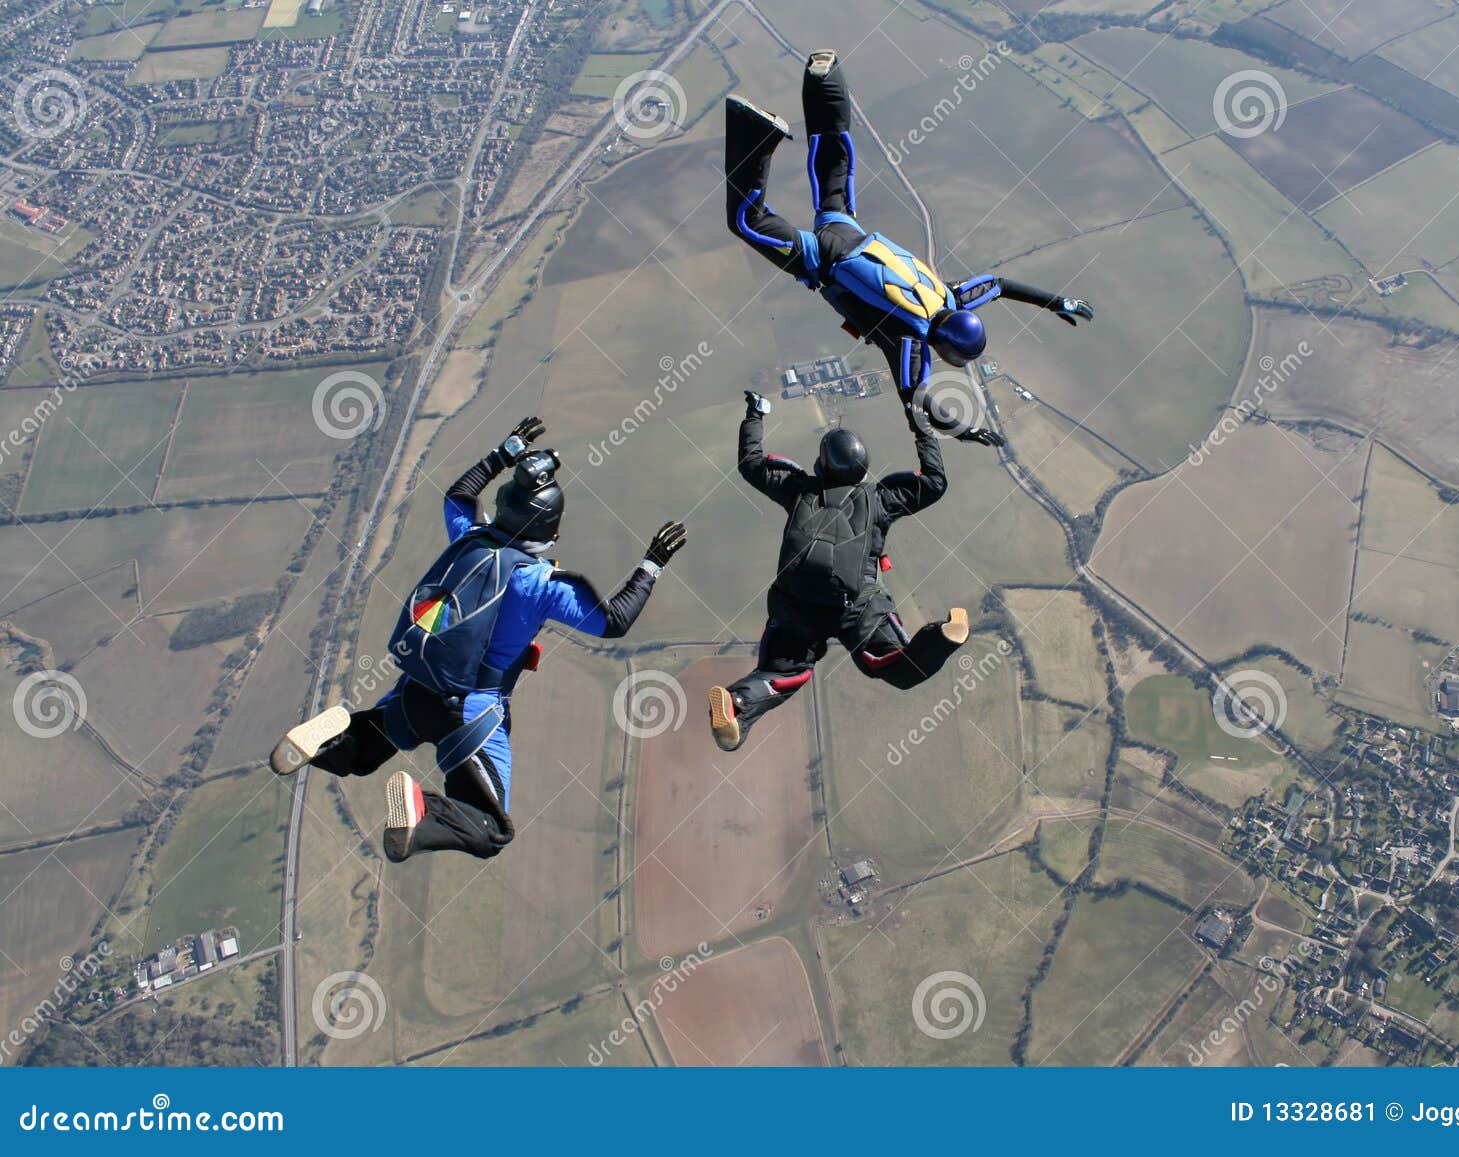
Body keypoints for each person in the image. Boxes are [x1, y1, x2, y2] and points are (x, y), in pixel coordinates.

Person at [270, 418, 688, 862]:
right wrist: (652, 565)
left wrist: (502, 454)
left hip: (415, 691)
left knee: (365, 751)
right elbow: (613, 621)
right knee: (489, 830)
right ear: (550, 530)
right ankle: (422, 816)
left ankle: (325, 744)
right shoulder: (540, 584)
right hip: (469, 712)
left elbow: (458, 495)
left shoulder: (469, 539)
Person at [724, 50, 1094, 447]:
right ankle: (754, 133)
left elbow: (1002, 286)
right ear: (947, 347)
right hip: (822, 259)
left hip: (850, 231)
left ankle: (825, 80)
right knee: (747, 221)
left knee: (834, 167)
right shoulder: (910, 341)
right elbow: (917, 399)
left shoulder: (951, 297)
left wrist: (1058, 301)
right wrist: (964, 431)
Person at [707, 390, 969, 752]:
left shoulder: (798, 489)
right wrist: (921, 428)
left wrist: (755, 413)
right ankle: (939, 636)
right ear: (864, 467)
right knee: (891, 666)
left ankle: (737, 707)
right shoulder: (879, 499)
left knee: (782, 672)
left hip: (797, 607)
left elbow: (751, 463)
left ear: (821, 464)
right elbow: (935, 483)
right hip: (857, 607)